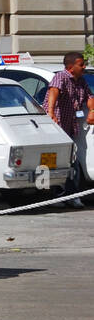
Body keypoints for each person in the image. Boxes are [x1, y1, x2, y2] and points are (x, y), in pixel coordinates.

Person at [45, 51, 94, 206]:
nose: (84, 67)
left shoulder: (81, 81)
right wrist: (51, 112)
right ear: (71, 67)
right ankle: (53, 196)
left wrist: (92, 111)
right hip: (55, 129)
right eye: (81, 64)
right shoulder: (61, 77)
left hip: (69, 129)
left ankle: (69, 195)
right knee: (52, 163)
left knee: (69, 162)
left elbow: (90, 98)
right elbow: (53, 91)